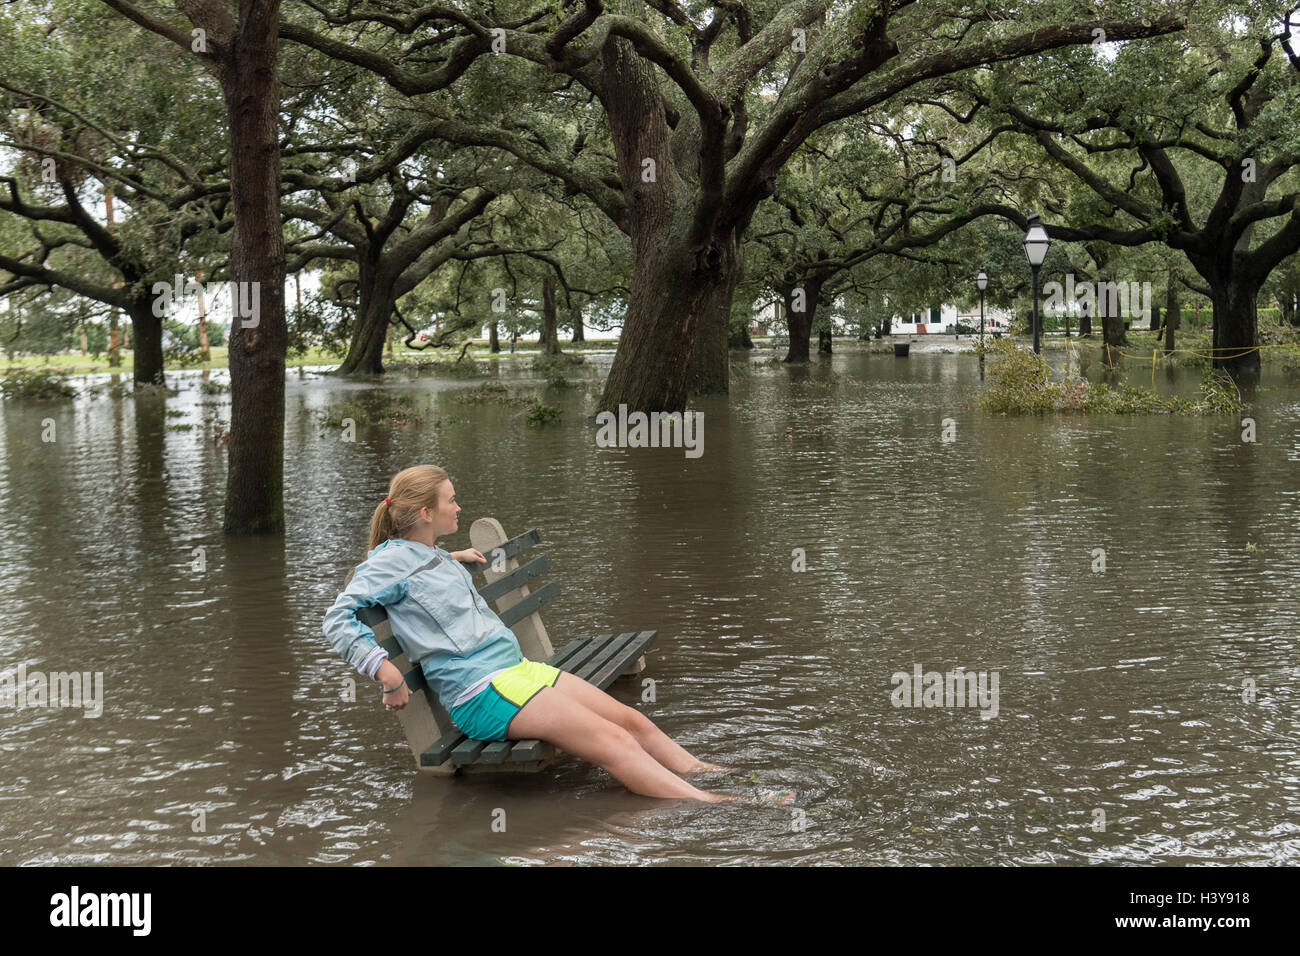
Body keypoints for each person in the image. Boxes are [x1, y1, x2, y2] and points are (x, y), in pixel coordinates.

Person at [323, 464, 765, 804]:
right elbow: (337, 618)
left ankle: (709, 773)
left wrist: (450, 557)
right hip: (481, 692)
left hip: (516, 671)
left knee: (632, 721)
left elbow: (420, 577)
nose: (459, 507)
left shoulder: (425, 552)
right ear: (425, 512)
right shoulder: (389, 563)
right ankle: (715, 804)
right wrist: (385, 671)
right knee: (614, 741)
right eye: (452, 500)